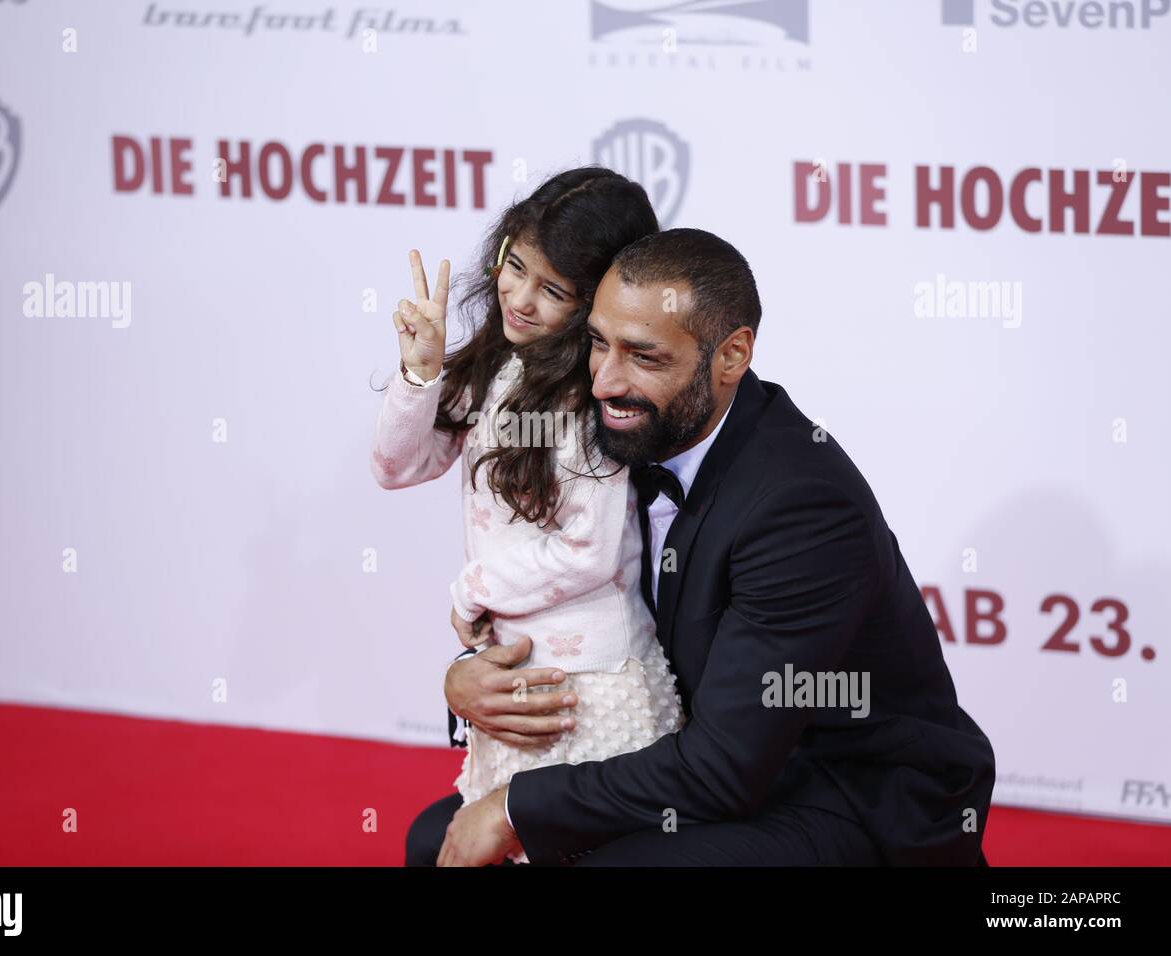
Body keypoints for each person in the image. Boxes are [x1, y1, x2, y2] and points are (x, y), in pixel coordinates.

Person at [424, 228, 996, 866]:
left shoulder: (802, 505)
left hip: (844, 794)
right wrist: (467, 683)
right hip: (691, 753)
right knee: (435, 841)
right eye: (596, 343)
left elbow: (726, 768)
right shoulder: (617, 438)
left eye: (644, 356)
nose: (606, 381)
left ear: (731, 356)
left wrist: (513, 809)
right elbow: (555, 607)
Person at [371, 168, 677, 864]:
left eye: (554, 291)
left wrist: (471, 590)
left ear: (599, 302)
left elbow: (590, 551)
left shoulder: (589, 396)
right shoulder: (502, 363)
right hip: (520, 681)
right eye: (516, 267)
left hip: (587, 694)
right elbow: (396, 466)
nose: (522, 298)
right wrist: (419, 374)